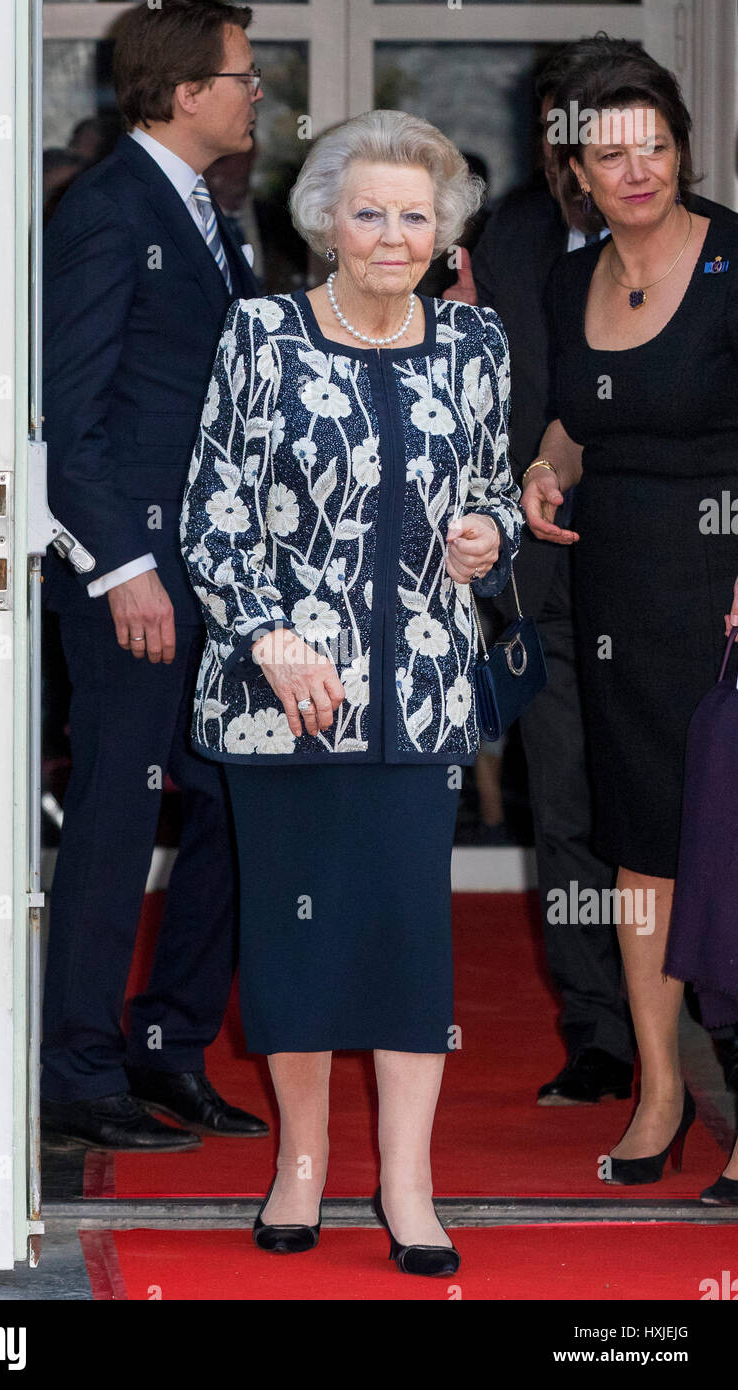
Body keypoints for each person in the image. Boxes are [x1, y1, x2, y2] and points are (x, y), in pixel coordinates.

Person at [180, 109, 522, 1273]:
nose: (389, 234)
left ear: (443, 231)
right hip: (289, 698)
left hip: (419, 695)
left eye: (413, 216)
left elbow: (496, 493)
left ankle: (411, 1184)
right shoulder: (263, 333)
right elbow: (213, 508)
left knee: (407, 945)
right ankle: (303, 1165)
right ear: (325, 220)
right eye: (366, 212)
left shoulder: (475, 346)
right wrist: (271, 637)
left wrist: (488, 531)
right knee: (296, 946)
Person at [39, 0, 269, 1150]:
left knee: (232, 801)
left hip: (210, 576)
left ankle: (168, 1047)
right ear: (185, 92)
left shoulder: (202, 214)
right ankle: (74, 1072)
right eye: (240, 73)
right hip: (133, 578)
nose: (255, 90)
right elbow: (65, 417)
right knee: (115, 821)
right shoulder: (109, 208)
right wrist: (124, 567)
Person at [522, 37, 738, 1197]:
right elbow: (575, 421)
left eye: (653, 145)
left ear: (679, 148)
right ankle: (659, 1089)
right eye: (610, 154)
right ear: (576, 172)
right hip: (618, 588)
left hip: (726, 590)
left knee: (729, 843)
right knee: (639, 849)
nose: (637, 170)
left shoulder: (733, 260)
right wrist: (538, 475)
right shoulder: (568, 281)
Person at [446, 40, 636, 1106]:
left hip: (670, 571)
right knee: (561, 803)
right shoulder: (504, 240)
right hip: (542, 586)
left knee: (673, 803)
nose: (583, 149)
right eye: (568, 124)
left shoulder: (702, 245)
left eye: (607, 125)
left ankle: (701, 1015)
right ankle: (597, 1028)